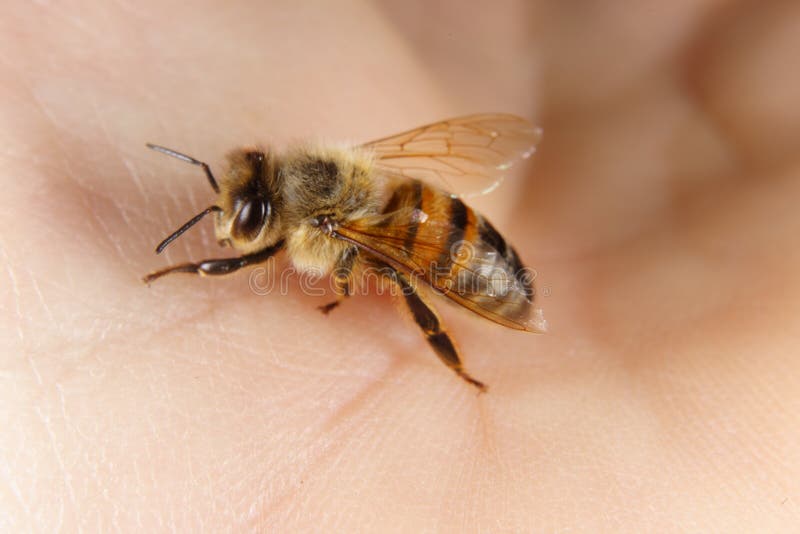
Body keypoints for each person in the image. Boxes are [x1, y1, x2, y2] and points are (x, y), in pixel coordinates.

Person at [2, 1, 798, 530]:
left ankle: (455, 365)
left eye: (238, 213)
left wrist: (184, 273)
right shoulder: (332, 182)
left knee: (417, 281)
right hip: (415, 208)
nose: (225, 219)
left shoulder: (319, 220)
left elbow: (361, 258)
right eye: (235, 203)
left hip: (442, 246)